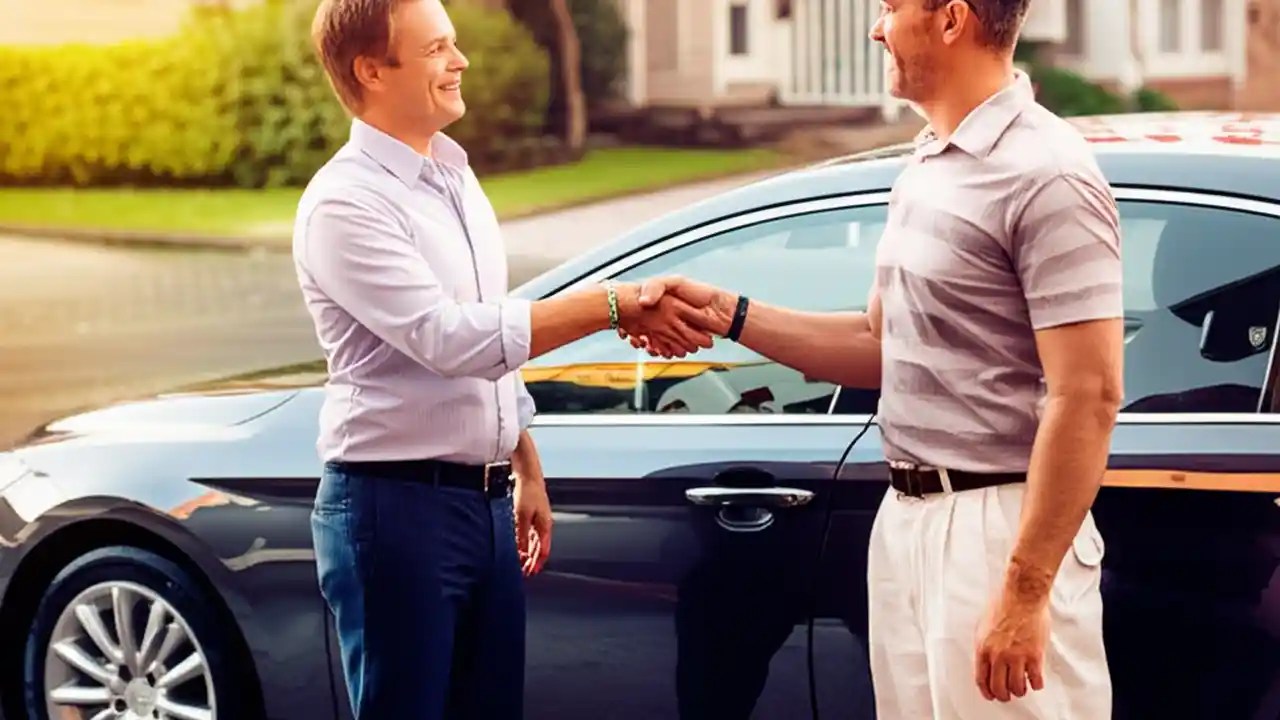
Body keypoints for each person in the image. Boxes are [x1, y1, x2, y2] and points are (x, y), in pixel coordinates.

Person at [631, 1, 1123, 717]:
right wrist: (730, 315)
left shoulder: (1047, 173)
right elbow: (881, 346)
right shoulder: (928, 162)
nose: (875, 27)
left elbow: (1089, 394)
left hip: (998, 529)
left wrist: (1024, 591)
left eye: (891, 7)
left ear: (951, 18)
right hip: (908, 524)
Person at [294, 1, 711, 718]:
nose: (461, 62)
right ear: (370, 69)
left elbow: (491, 327)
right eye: (436, 49)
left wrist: (524, 465)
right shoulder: (344, 204)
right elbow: (451, 339)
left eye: (454, 44)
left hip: (479, 507)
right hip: (393, 512)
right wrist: (610, 304)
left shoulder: (454, 177)